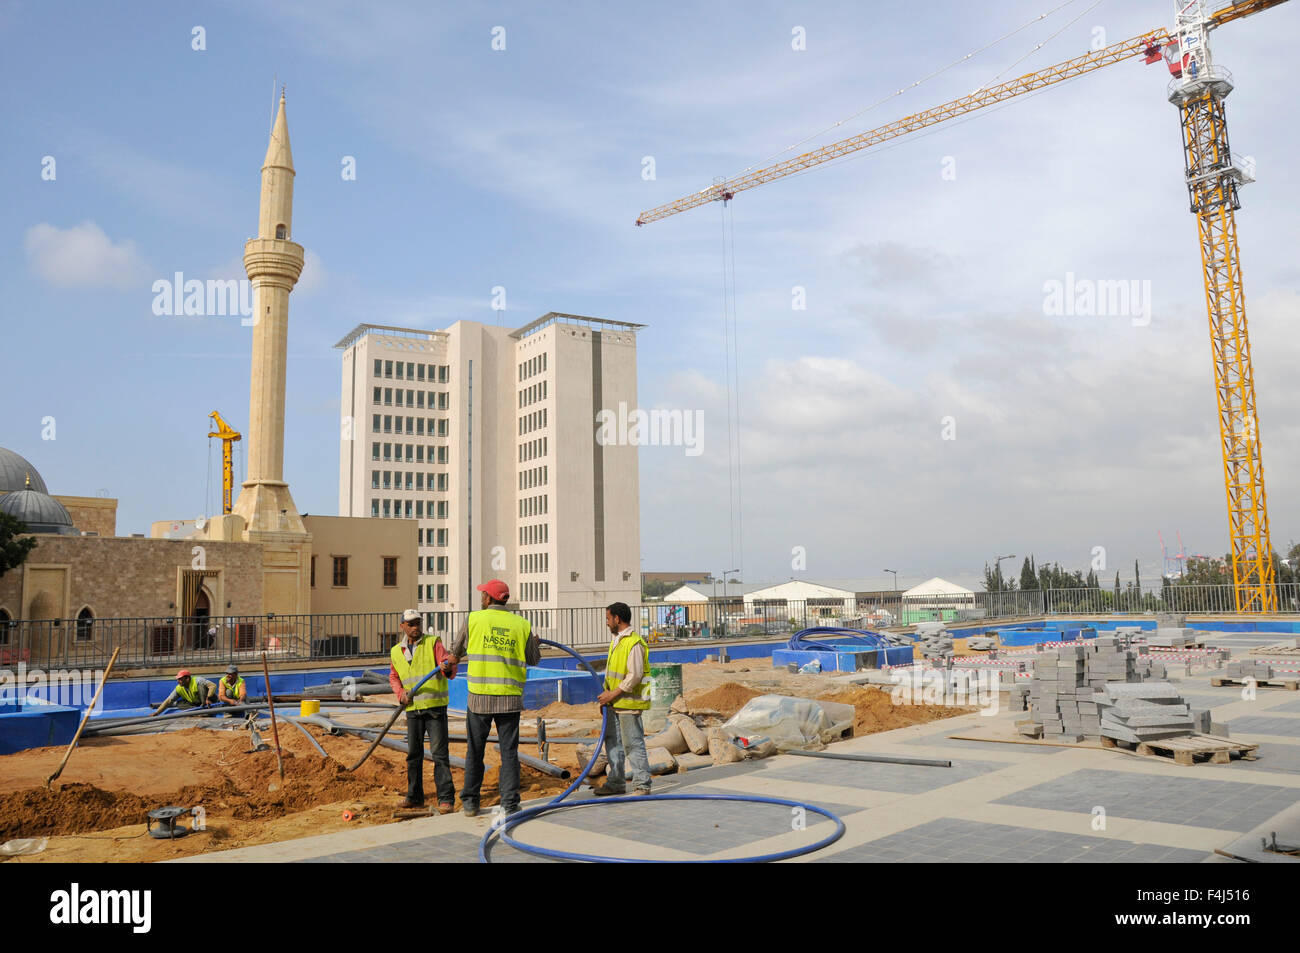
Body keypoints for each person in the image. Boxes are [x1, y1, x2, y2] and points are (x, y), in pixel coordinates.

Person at [447, 579, 540, 817]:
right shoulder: (522, 625)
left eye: (483, 595)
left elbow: (455, 652)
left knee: (475, 750)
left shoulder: (474, 619)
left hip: (480, 698)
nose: (481, 598)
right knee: (509, 751)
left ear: (489, 598)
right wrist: (534, 642)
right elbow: (534, 659)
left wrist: (449, 661)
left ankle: (470, 801)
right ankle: (509, 803)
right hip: (509, 698)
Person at [388, 609, 457, 812]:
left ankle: (446, 799)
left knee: (439, 755)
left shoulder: (433, 642)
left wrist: (446, 667)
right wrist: (400, 693)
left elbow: (448, 670)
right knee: (414, 754)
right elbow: (394, 677)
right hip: (413, 709)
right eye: (411, 624)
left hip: (434, 708)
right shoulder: (395, 651)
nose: (415, 627)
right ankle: (414, 796)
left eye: (418, 623)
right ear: (403, 626)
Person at [591, 602, 653, 797]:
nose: (607, 623)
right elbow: (612, 673)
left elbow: (635, 675)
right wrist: (606, 697)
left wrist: (613, 694)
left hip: (629, 703)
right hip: (614, 702)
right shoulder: (617, 640)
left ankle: (642, 784)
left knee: (633, 744)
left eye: (608, 619)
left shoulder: (634, 643)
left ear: (617, 619)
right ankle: (616, 782)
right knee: (613, 744)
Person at [152, 669, 217, 715]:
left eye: (180, 679)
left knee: (201, 686)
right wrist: (157, 712)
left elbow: (213, 686)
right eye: (178, 679)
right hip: (197, 704)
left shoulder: (198, 680)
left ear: (187, 679)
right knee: (179, 704)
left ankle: (206, 709)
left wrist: (208, 698)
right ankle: (197, 711)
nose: (178, 681)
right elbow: (169, 701)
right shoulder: (179, 688)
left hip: (209, 701)